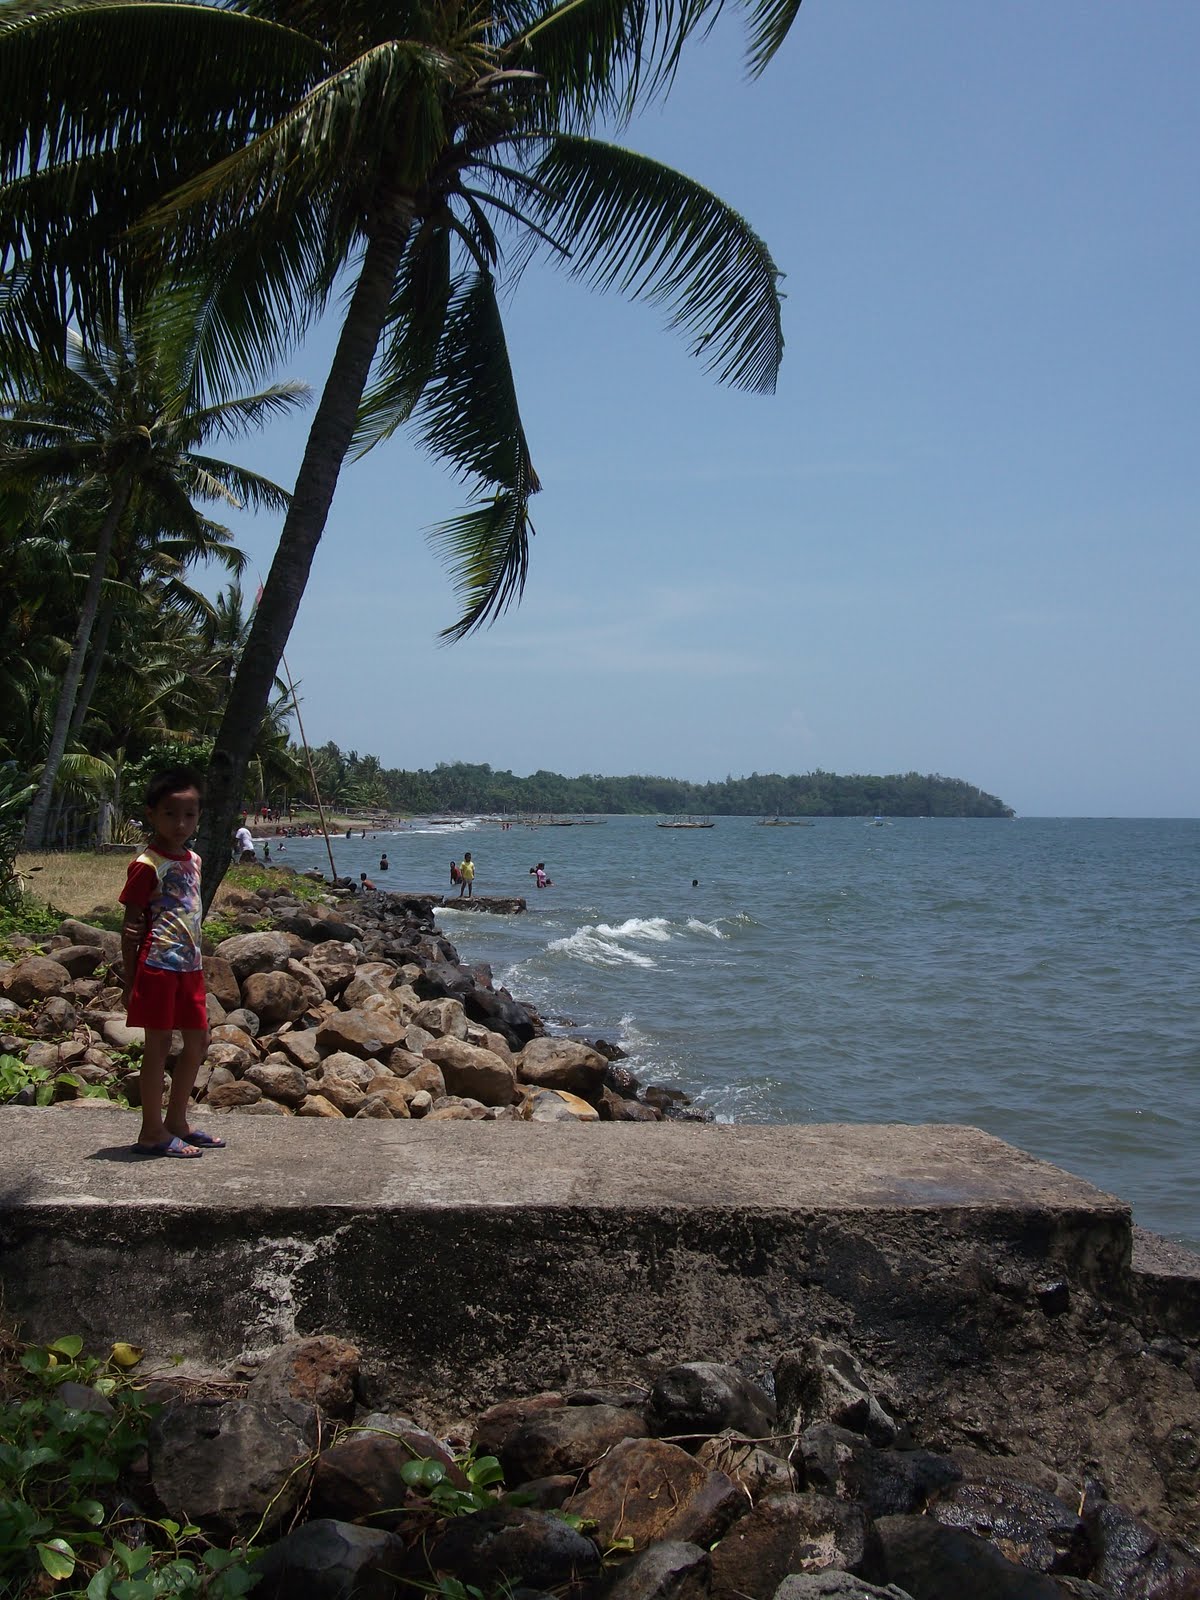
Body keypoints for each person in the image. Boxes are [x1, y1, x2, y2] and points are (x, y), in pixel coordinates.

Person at [119, 767, 223, 1159]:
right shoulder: (147, 864)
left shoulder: (194, 859)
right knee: (158, 1047)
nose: (180, 824)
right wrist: (130, 982)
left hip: (189, 968)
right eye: (170, 814)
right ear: (152, 814)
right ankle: (151, 1131)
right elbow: (131, 926)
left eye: (189, 816)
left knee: (198, 1041)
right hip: (157, 966)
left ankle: (177, 1120)